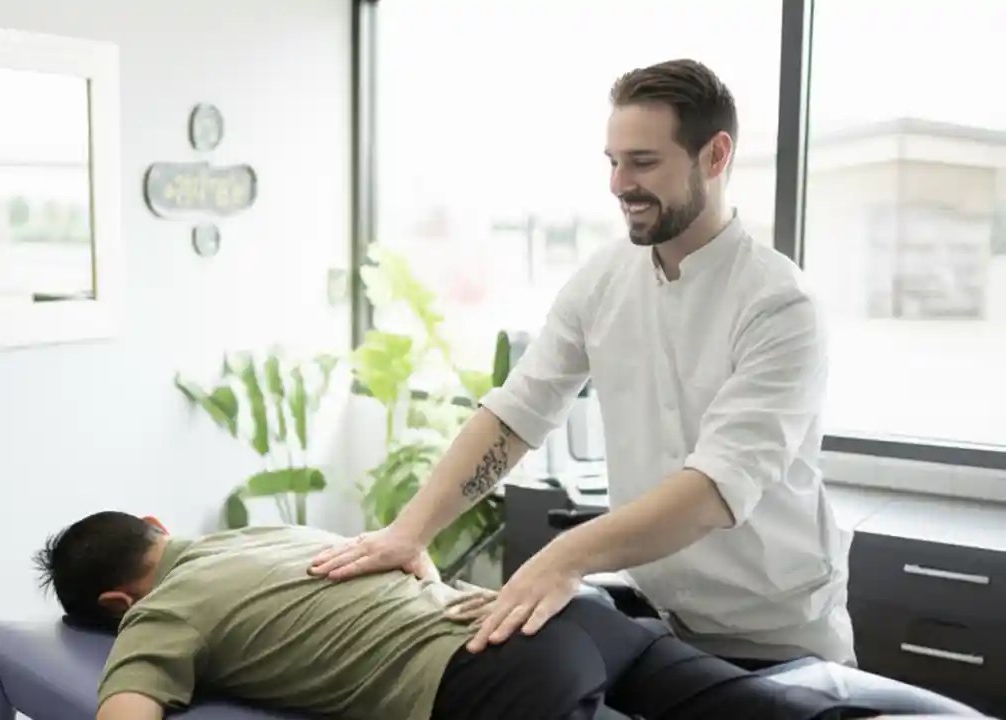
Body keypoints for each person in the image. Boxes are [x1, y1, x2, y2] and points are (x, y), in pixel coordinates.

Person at [310, 57, 854, 670]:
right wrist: (408, 532)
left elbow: (713, 490)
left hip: (777, 638)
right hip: (659, 621)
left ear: (715, 155)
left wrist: (563, 558)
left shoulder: (780, 305)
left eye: (643, 162)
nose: (620, 184)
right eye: (613, 161)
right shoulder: (604, 278)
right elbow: (518, 412)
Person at [35, 511, 880, 720]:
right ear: (157, 525)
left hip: (494, 673)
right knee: (771, 713)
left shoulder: (157, 616)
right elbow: (408, 560)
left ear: (116, 603)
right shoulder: (269, 532)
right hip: (565, 613)